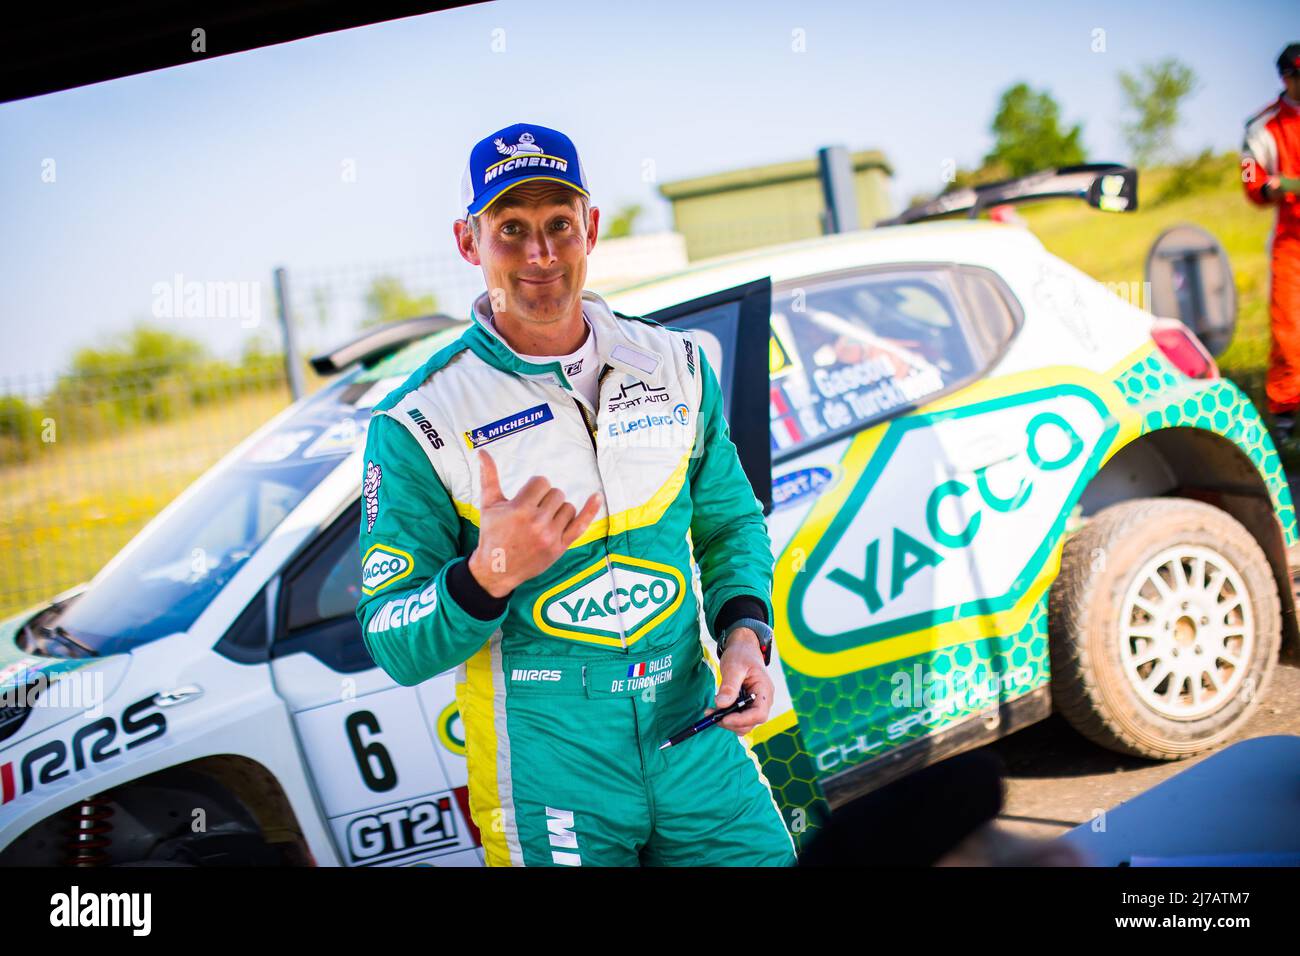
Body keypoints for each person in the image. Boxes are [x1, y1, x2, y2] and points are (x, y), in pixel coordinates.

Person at [354, 122, 796, 866]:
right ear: (470, 242)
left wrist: (745, 636)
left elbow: (729, 524)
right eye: (511, 229)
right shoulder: (419, 419)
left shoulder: (678, 363)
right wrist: (485, 575)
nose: (540, 254)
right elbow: (391, 638)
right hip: (548, 767)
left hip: (692, 732)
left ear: (590, 228)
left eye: (559, 224)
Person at [1242, 43, 1300, 442]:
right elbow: (1253, 180)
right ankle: (1286, 417)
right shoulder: (1261, 126)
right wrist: (1268, 188)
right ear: (1286, 77)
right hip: (1291, 239)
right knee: (1288, 328)